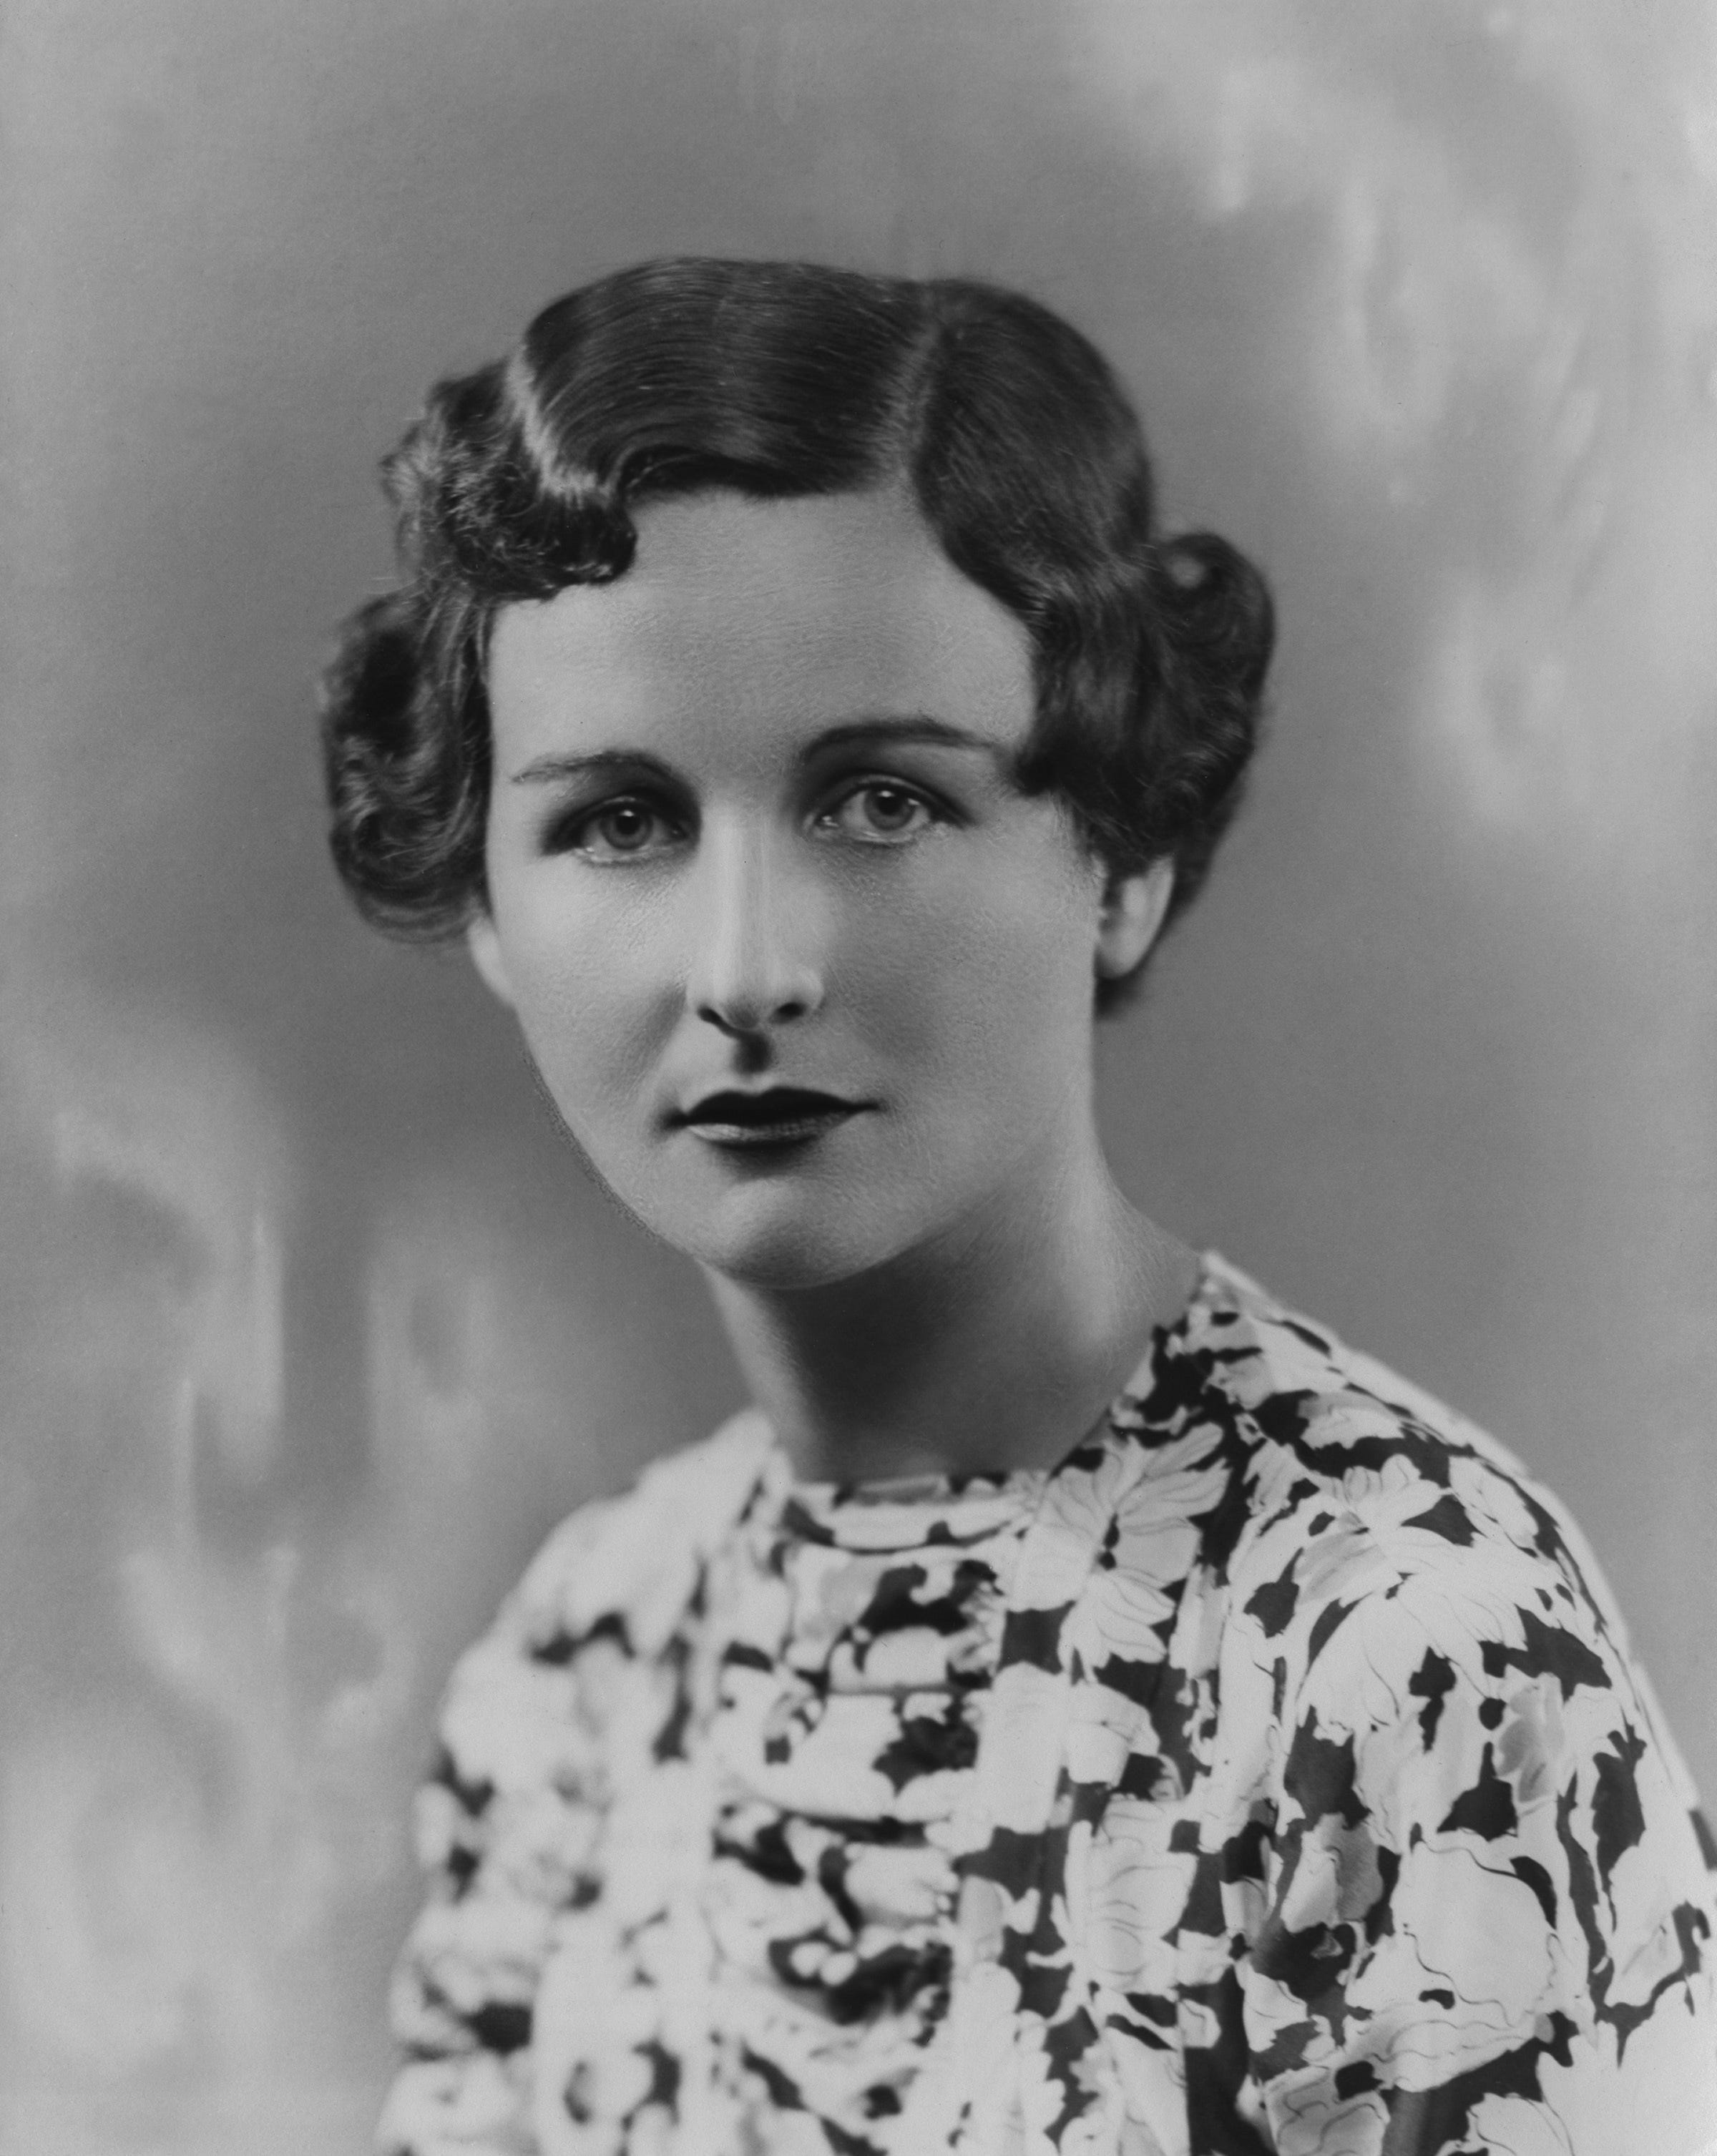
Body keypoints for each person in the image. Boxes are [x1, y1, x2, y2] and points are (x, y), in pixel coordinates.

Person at [321, 258, 1717, 2155]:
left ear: (1122, 860)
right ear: (487, 904)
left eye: (881, 801)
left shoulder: (1399, 1655)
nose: (747, 970)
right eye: (622, 822)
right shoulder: (582, 1670)